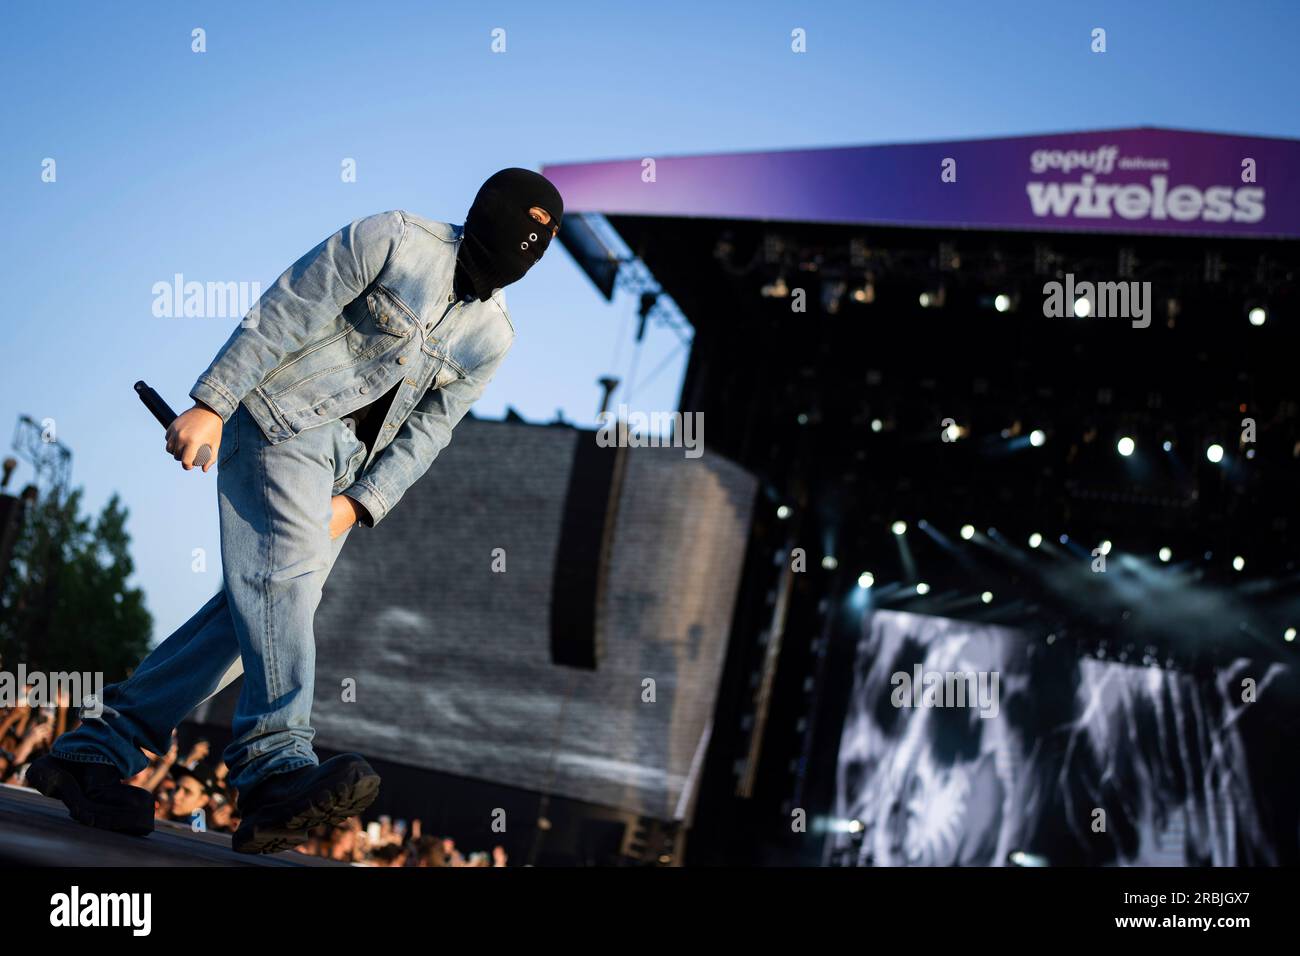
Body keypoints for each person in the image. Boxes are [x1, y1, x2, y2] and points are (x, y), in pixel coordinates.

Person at [28, 168, 565, 854]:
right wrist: (213, 403)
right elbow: (287, 307)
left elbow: (433, 429)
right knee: (278, 591)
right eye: (518, 230)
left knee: (247, 618)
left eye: (540, 243)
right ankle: (274, 763)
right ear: (482, 215)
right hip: (282, 424)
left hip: (344, 474)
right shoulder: (395, 239)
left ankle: (94, 750)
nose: (525, 248)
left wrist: (362, 502)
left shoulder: (493, 335)